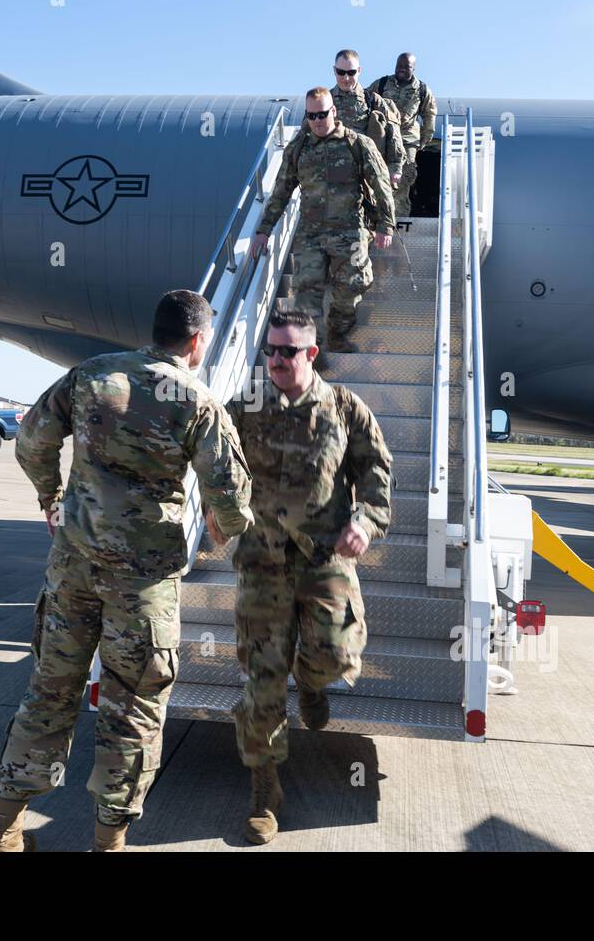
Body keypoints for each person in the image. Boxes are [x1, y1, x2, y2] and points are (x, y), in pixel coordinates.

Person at [0, 289, 254, 852]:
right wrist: (220, 526)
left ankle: (6, 831)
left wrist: (50, 497)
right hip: (143, 582)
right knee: (133, 708)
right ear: (197, 340)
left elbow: (32, 438)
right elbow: (230, 498)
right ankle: (108, 844)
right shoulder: (197, 400)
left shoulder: (91, 373)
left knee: (49, 692)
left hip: (74, 567)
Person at [226, 309, 393, 844]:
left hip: (325, 561)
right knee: (262, 681)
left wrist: (365, 522)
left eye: (287, 351)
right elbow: (212, 456)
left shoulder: (345, 408)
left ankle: (313, 683)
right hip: (262, 562)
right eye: (270, 350)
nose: (275, 360)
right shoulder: (247, 406)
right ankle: (264, 790)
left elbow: (377, 472)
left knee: (334, 656)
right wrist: (215, 506)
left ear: (311, 354)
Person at [248, 87, 395, 354]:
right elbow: (281, 190)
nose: (316, 121)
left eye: (322, 114)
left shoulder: (358, 144)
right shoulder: (298, 149)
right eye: (311, 115)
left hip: (349, 231)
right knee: (305, 294)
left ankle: (337, 333)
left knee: (355, 283)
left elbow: (382, 186)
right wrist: (263, 230)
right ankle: (308, 350)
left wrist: (385, 224)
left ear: (334, 112)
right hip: (311, 235)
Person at [371, 53, 437, 218]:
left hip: (407, 138)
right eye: (399, 65)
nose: (401, 69)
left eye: (406, 66)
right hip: (383, 137)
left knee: (403, 178)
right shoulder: (382, 84)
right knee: (379, 175)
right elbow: (366, 101)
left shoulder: (421, 89)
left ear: (413, 69)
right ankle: (378, 216)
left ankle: (399, 218)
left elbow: (429, 114)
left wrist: (424, 140)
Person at [329, 48, 405, 191]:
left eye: (351, 73)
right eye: (341, 72)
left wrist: (395, 168)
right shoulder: (324, 101)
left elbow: (393, 134)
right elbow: (306, 135)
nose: (346, 78)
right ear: (334, 70)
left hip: (367, 174)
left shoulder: (372, 100)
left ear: (359, 71)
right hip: (332, 175)